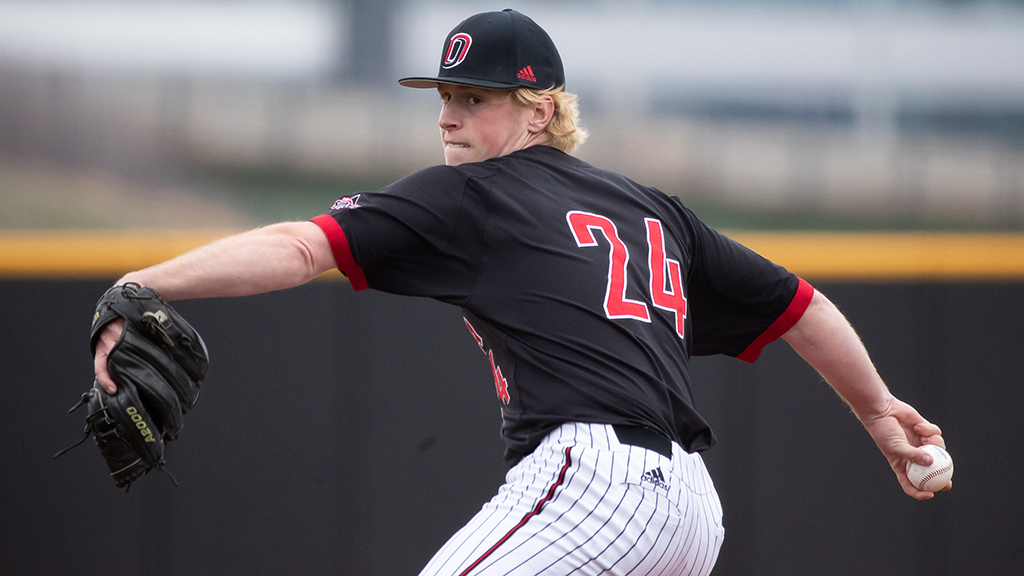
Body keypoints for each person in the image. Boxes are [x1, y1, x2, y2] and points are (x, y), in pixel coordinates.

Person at [92, 9, 949, 576]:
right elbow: (803, 308)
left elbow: (295, 247)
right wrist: (877, 412)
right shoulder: (656, 209)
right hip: (691, 515)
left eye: (476, 99)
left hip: (596, 482)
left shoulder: (472, 193)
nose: (448, 117)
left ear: (539, 112)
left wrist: (145, 282)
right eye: (445, 97)